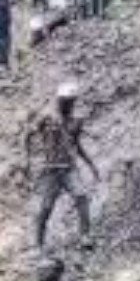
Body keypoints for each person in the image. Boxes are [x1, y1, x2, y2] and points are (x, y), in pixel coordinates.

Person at [27, 82, 100, 249]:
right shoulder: (47, 118)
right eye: (64, 101)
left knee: (82, 197)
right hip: (51, 169)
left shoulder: (76, 122)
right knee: (46, 207)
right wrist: (29, 161)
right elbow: (30, 135)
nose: (67, 104)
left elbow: (77, 145)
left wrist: (91, 165)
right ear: (59, 100)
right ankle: (38, 243)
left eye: (70, 101)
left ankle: (85, 236)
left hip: (69, 169)